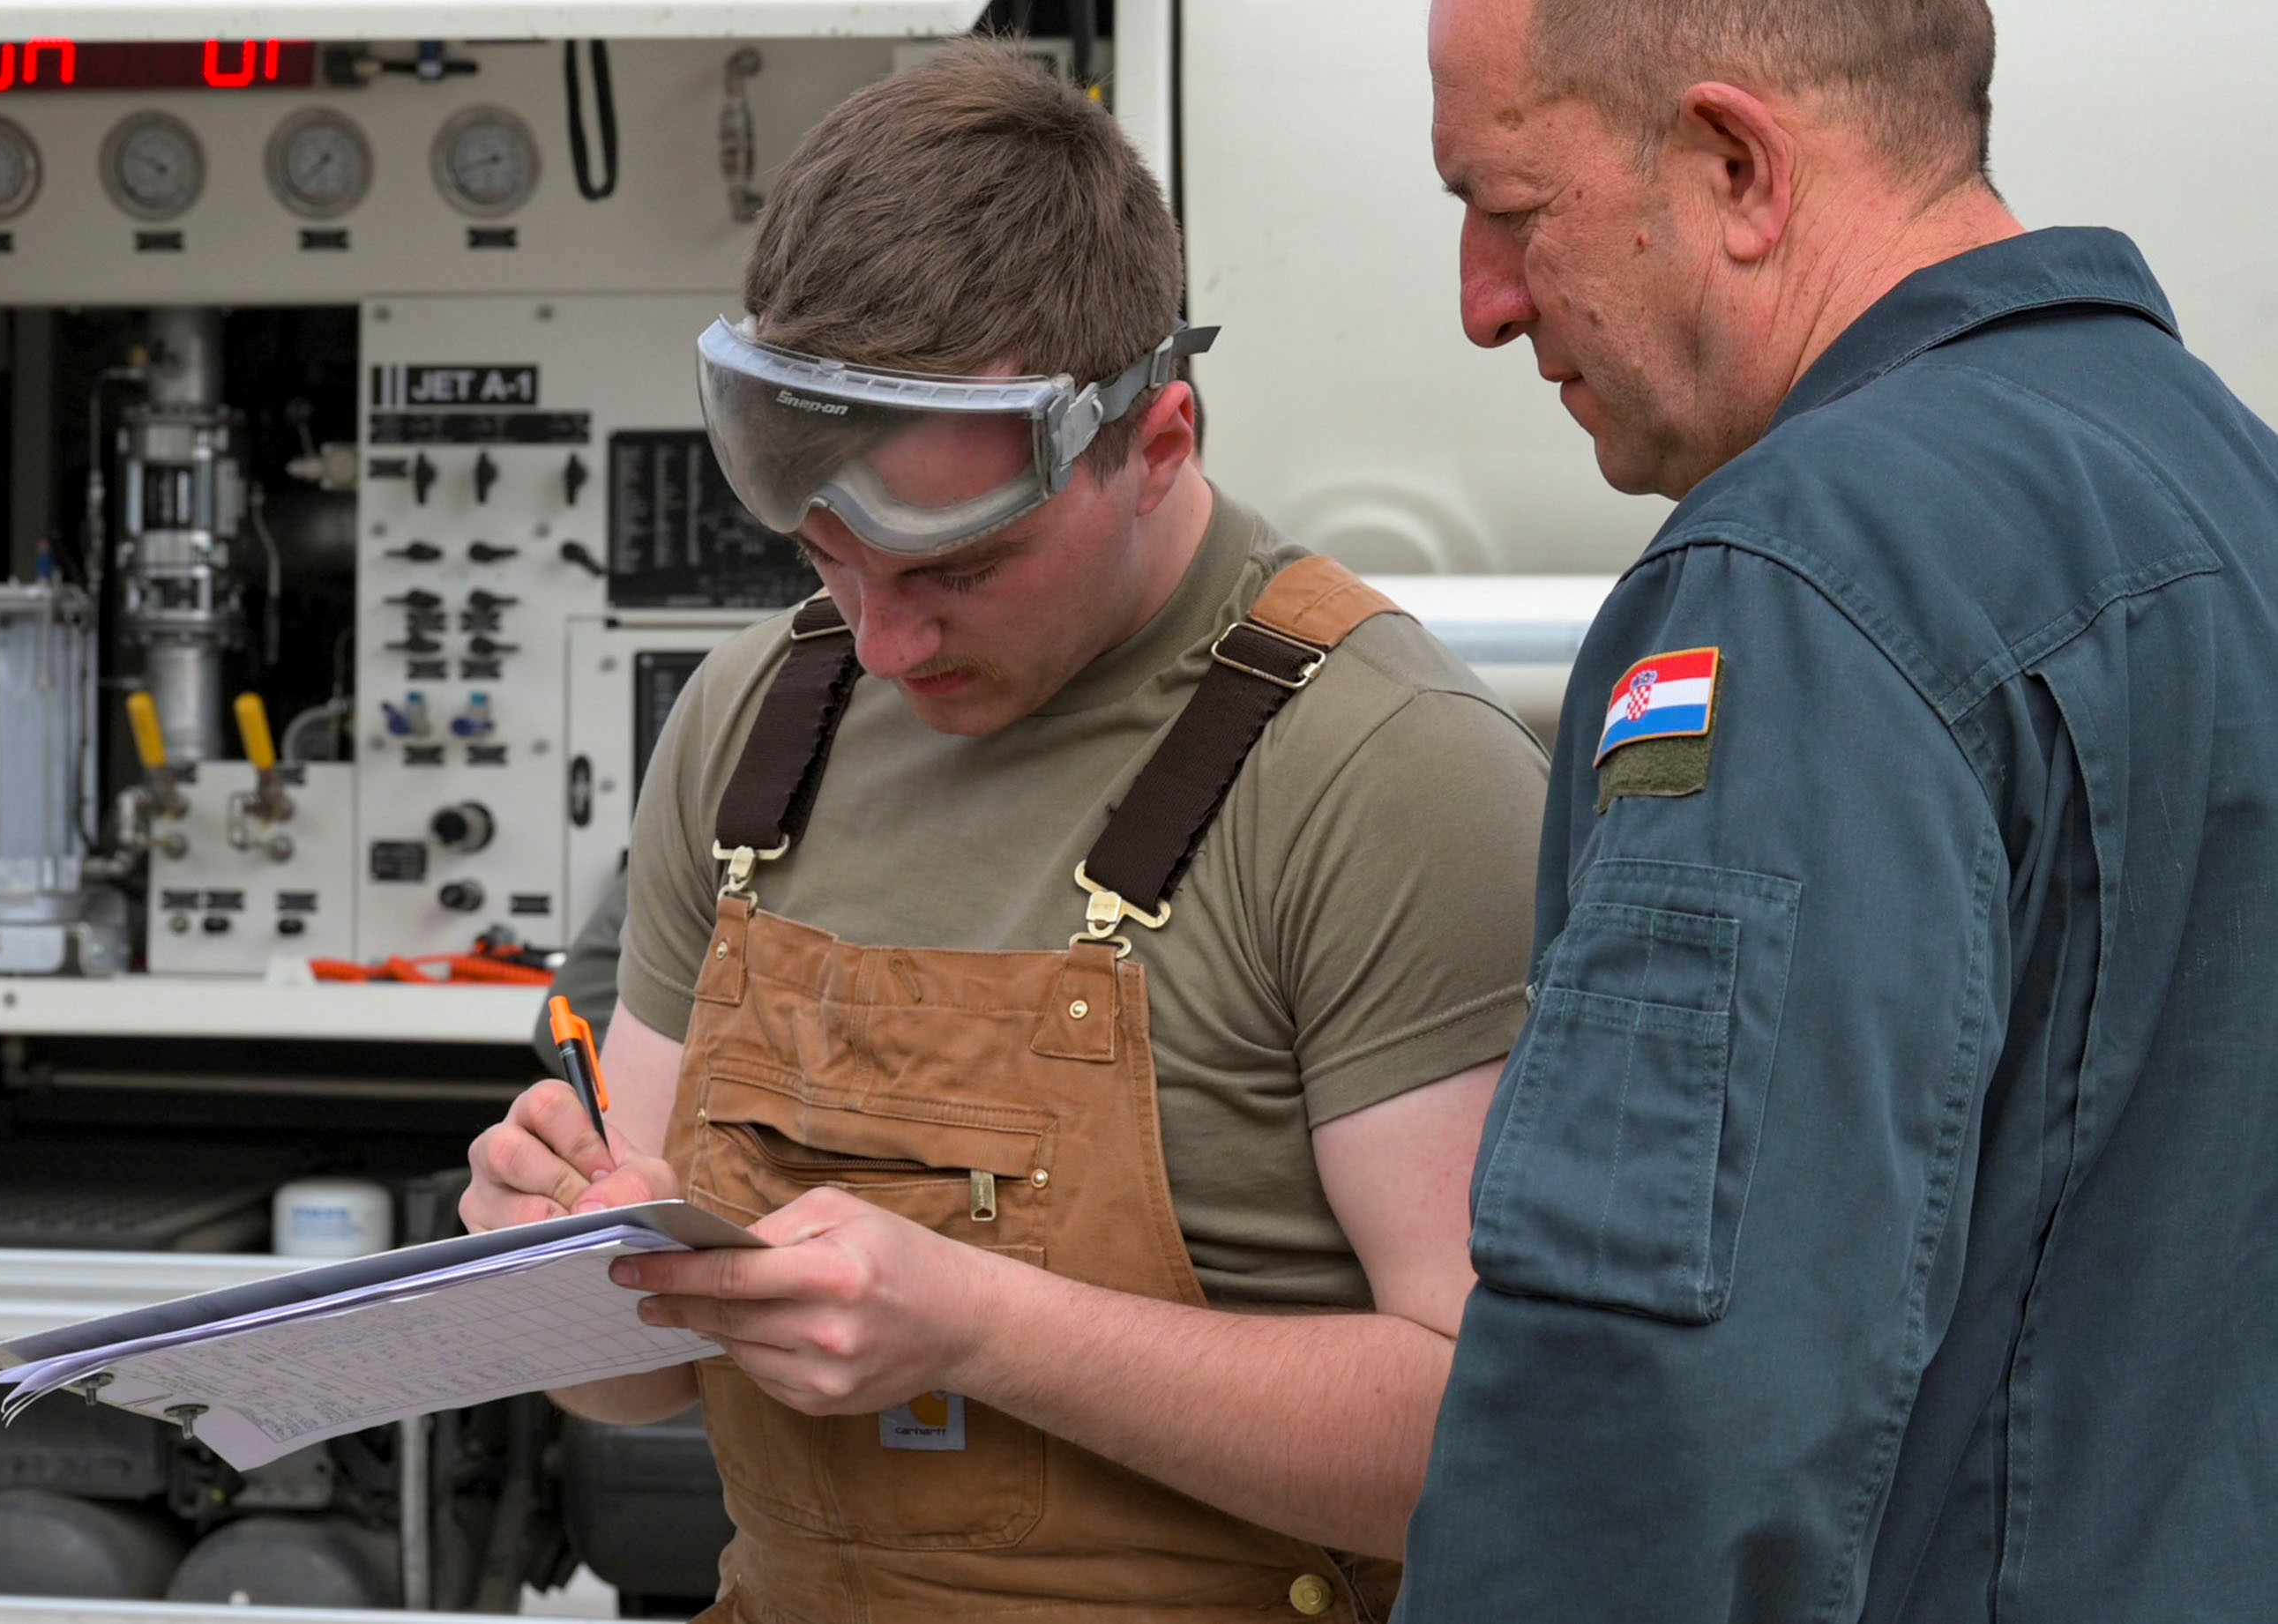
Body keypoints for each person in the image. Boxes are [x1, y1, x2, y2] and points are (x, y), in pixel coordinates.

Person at [462, 41, 1550, 1622]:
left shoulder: (1382, 772)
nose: (882, 641)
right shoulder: (753, 731)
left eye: (959, 570)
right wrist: (552, 1263)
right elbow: (633, 1395)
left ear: (1155, 443)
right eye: (830, 554)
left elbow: (1497, 1444)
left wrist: (981, 1326)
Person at [1408, 2, 2278, 1619]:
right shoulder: (2232, 489)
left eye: (1510, 209)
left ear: (1738, 165)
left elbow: (1659, 1397)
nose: (1482, 302)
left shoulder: (1802, 579)